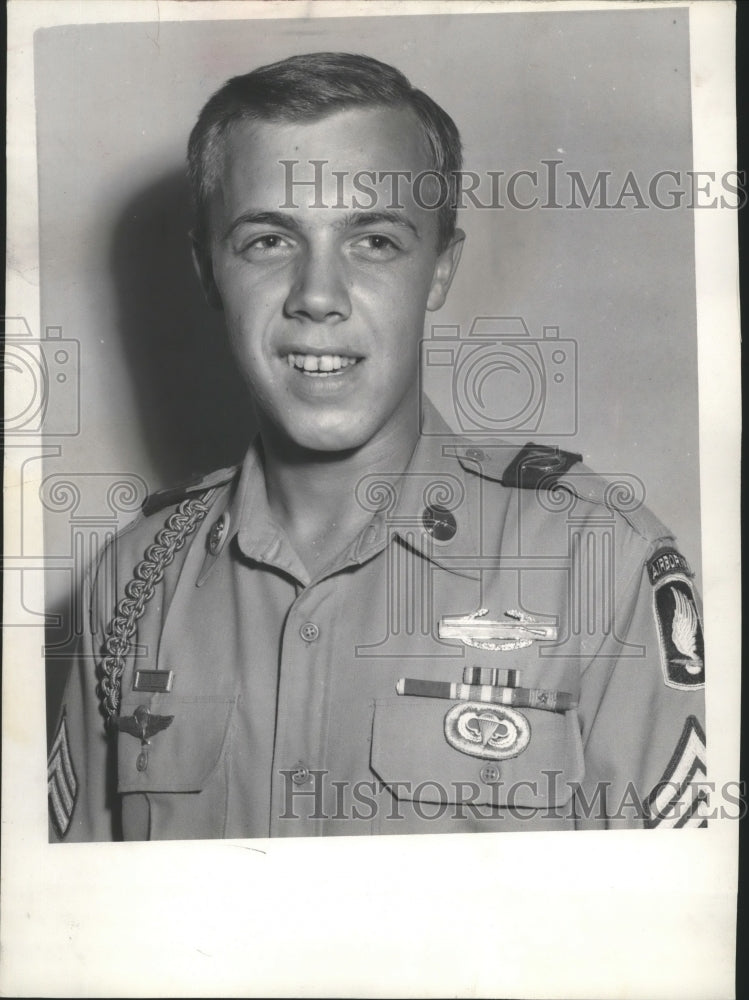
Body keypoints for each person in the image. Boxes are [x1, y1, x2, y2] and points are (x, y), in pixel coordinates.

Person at [47, 52, 706, 842]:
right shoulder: (131, 579)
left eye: (375, 242)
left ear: (438, 269)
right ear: (207, 270)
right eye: (266, 241)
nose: (317, 297)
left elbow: (671, 939)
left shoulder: (600, 564)